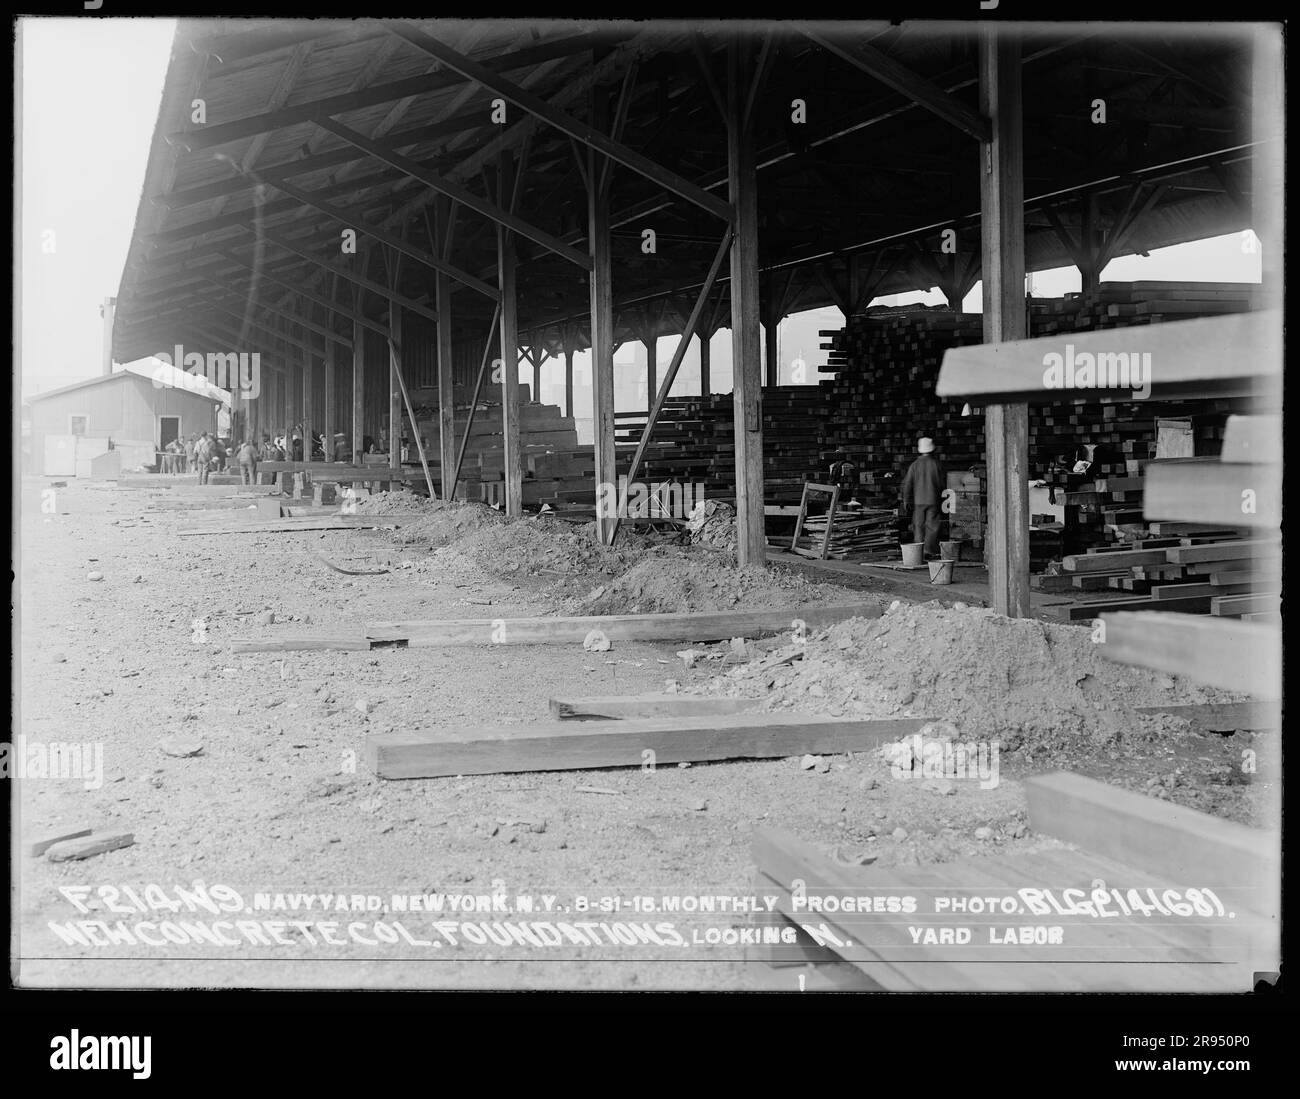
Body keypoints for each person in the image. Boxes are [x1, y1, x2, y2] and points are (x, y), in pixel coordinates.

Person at [900, 436, 945, 560]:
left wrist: (906, 499)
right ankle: (929, 550)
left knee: (918, 526)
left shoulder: (915, 465)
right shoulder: (936, 464)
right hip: (933, 500)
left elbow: (908, 484)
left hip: (919, 501)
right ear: (932, 450)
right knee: (932, 526)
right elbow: (942, 483)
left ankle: (918, 552)